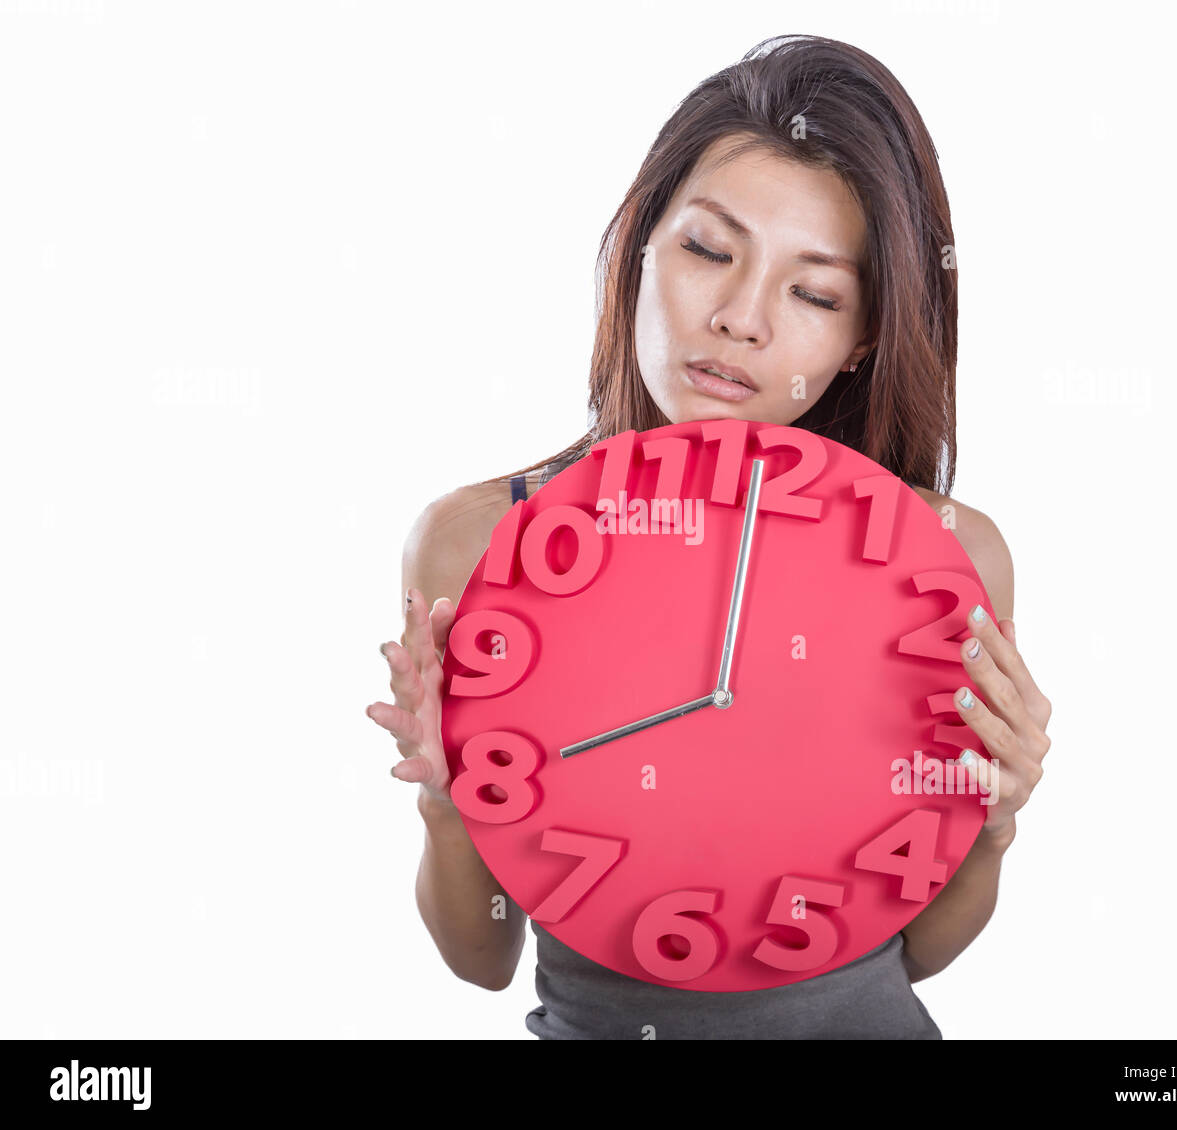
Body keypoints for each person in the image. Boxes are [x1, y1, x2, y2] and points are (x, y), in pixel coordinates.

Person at [365, 34, 1053, 1039]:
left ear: (861, 336)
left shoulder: (942, 559)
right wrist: (447, 800)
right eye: (705, 249)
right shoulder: (477, 543)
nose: (739, 318)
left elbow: (921, 950)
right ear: (640, 245)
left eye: (813, 293)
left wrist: (991, 824)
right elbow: (481, 958)